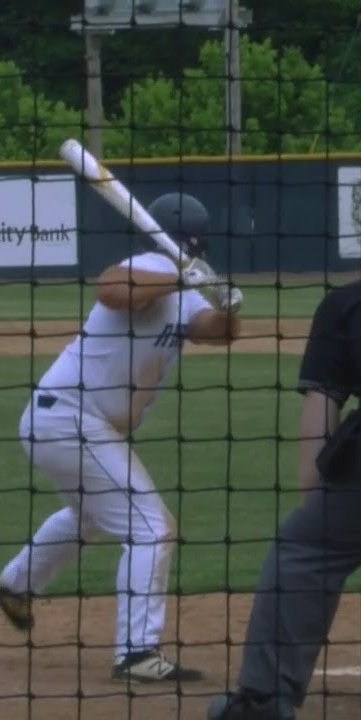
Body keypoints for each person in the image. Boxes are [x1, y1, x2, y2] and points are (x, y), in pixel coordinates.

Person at [0, 192, 245, 683]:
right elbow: (109, 288)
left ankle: (14, 585)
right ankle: (137, 652)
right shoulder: (145, 265)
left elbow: (218, 333)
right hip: (70, 419)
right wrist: (181, 275)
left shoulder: (184, 289)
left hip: (67, 421)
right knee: (152, 527)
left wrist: (228, 305)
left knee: (88, 517)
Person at [207, 281, 361, 719]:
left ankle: (263, 698)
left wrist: (318, 506)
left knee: (306, 549)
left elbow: (323, 405)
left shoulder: (347, 303)